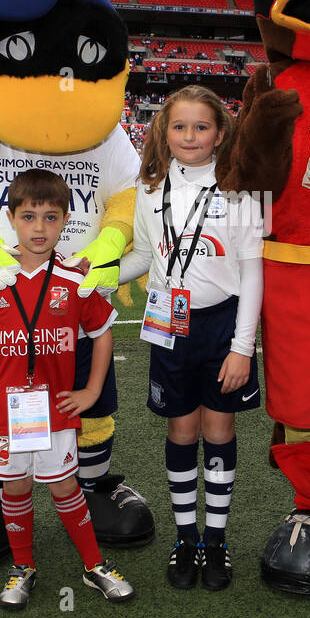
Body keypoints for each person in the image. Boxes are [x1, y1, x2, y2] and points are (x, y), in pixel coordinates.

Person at [0, 168, 135, 609]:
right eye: (28, 217)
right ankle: (22, 566)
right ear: (10, 218)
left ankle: (93, 565)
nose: (40, 228)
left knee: (65, 486)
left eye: (51, 217)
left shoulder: (74, 277)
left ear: (67, 219)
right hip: (2, 413)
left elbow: (103, 331)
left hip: (55, 409)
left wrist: (91, 390)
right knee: (14, 490)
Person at [118, 86, 263, 591]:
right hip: (169, 324)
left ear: (220, 132)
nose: (189, 136)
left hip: (223, 326)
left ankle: (217, 541)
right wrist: (94, 274)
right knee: (181, 432)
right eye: (179, 127)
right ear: (165, 131)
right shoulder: (150, 186)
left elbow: (252, 271)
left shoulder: (241, 187)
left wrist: (243, 348)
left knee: (219, 431)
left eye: (201, 127)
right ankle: (186, 538)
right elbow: (146, 257)